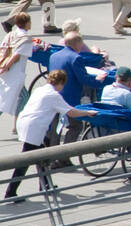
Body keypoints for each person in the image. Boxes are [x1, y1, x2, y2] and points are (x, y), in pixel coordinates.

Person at [5, 70, 92, 202]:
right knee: (24, 162)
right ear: (61, 83)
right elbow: (72, 113)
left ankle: (45, 185)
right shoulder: (53, 95)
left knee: (42, 157)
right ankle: (10, 192)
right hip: (34, 129)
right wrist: (88, 113)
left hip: (25, 123)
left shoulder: (40, 89)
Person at [0, 12, 35, 131]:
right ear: (26, 23)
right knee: (20, 98)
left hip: (6, 71)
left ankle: (16, 125)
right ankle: (18, 124)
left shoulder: (10, 35)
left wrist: (3, 66)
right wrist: (7, 66)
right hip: (15, 73)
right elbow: (17, 55)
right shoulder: (26, 38)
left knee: (7, 97)